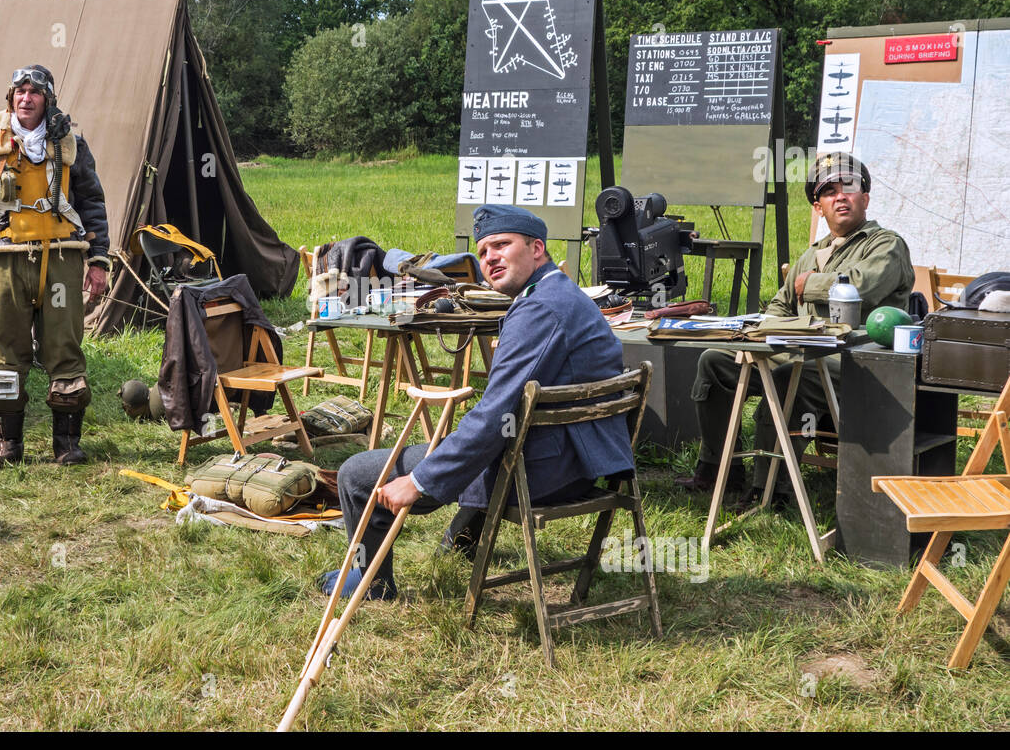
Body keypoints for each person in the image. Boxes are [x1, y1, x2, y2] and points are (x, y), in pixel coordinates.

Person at [321, 204, 634, 600]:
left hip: (540, 472)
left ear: (537, 248)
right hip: (580, 460)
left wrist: (418, 481)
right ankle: (460, 544)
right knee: (469, 440)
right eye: (483, 252)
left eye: (502, 245)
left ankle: (371, 583)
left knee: (355, 473)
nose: (490, 259)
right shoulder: (561, 293)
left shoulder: (539, 309)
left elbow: (492, 419)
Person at [677, 152, 914, 505]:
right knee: (715, 362)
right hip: (800, 352)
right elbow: (779, 305)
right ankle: (718, 469)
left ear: (865, 197)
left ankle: (770, 489)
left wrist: (810, 285)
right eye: (829, 192)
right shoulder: (812, 254)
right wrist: (755, 337)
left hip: (858, 361)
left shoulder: (884, 244)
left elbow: (862, 287)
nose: (840, 197)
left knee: (793, 378)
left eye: (849, 188)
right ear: (819, 207)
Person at [0, 65, 110, 469]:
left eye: (34, 92)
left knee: (65, 349)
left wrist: (99, 260)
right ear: (11, 98)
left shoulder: (73, 146)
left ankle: (67, 445)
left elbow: (92, 202)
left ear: (48, 99)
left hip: (61, 259)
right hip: (3, 262)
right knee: (3, 352)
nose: (26, 98)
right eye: (19, 91)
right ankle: (7, 446)